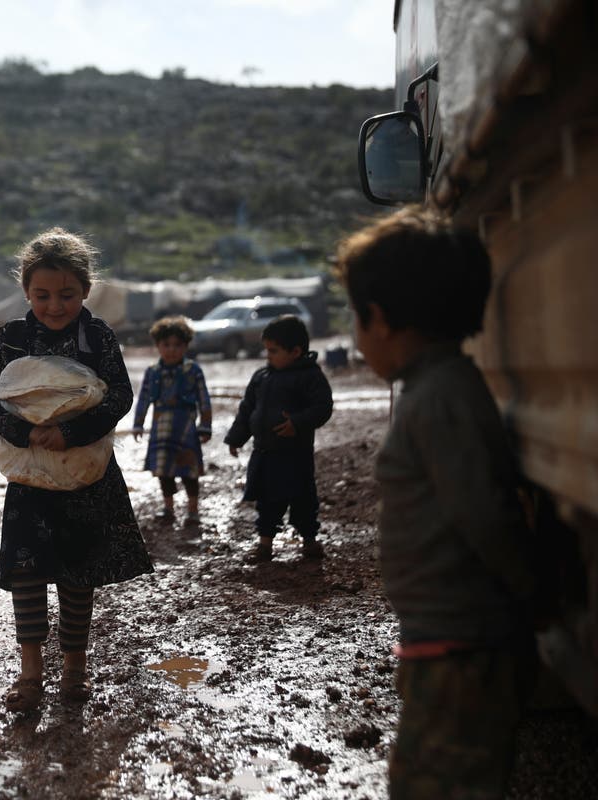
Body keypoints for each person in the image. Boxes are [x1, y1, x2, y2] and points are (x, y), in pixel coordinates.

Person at [336, 207, 538, 799]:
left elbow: (484, 516)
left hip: (459, 650)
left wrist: (533, 596)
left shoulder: (439, 398)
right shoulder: (442, 388)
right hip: (448, 641)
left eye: (354, 314)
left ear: (380, 319)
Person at [0, 227, 153, 712]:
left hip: (84, 478)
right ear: (26, 291)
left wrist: (72, 433)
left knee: (79, 576)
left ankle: (75, 671)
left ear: (86, 291)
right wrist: (24, 431)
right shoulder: (13, 337)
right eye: (42, 295)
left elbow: (119, 393)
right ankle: (30, 676)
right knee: (28, 576)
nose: (55, 306)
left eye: (67, 295)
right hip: (32, 479)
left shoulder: (97, 336)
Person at [225, 314, 332, 563]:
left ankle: (310, 542)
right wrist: (236, 437)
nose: (268, 356)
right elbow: (247, 409)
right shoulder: (262, 377)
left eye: (273, 351)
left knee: (303, 499)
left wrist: (297, 422)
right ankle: (265, 545)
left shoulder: (310, 376)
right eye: (267, 350)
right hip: (265, 453)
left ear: (295, 351)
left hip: (296, 454)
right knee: (267, 500)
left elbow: (322, 407)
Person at [132, 316, 212, 526]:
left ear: (186, 346)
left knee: (189, 472)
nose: (171, 350)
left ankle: (192, 510)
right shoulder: (153, 372)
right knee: (163, 471)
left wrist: (205, 426)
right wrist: (138, 423)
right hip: (161, 428)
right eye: (166, 345)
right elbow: (144, 399)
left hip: (186, 429)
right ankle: (168, 508)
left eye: (177, 345)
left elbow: (204, 399)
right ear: (158, 345)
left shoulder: (193, 371)